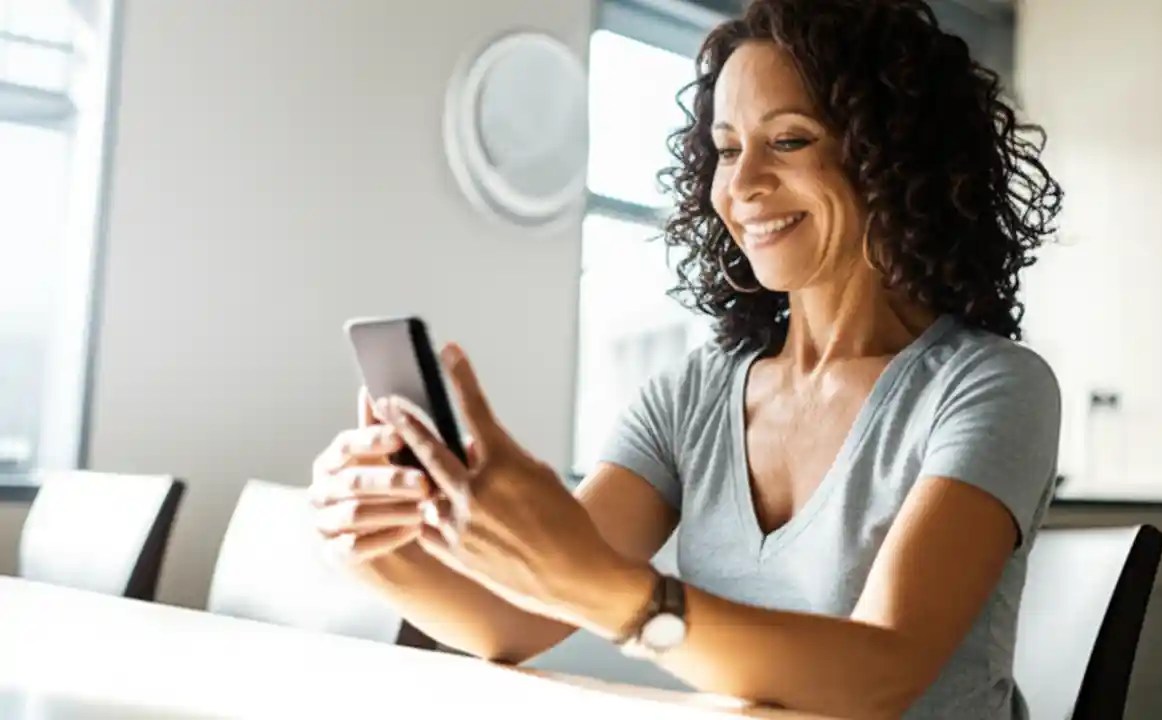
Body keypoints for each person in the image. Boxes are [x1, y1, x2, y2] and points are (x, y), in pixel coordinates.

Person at [308, 0, 1064, 717]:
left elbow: (880, 679)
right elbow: (514, 622)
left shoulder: (991, 386)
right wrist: (370, 549)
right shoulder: (694, 394)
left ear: (891, 160)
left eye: (789, 141)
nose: (742, 184)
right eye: (728, 149)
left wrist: (614, 593)